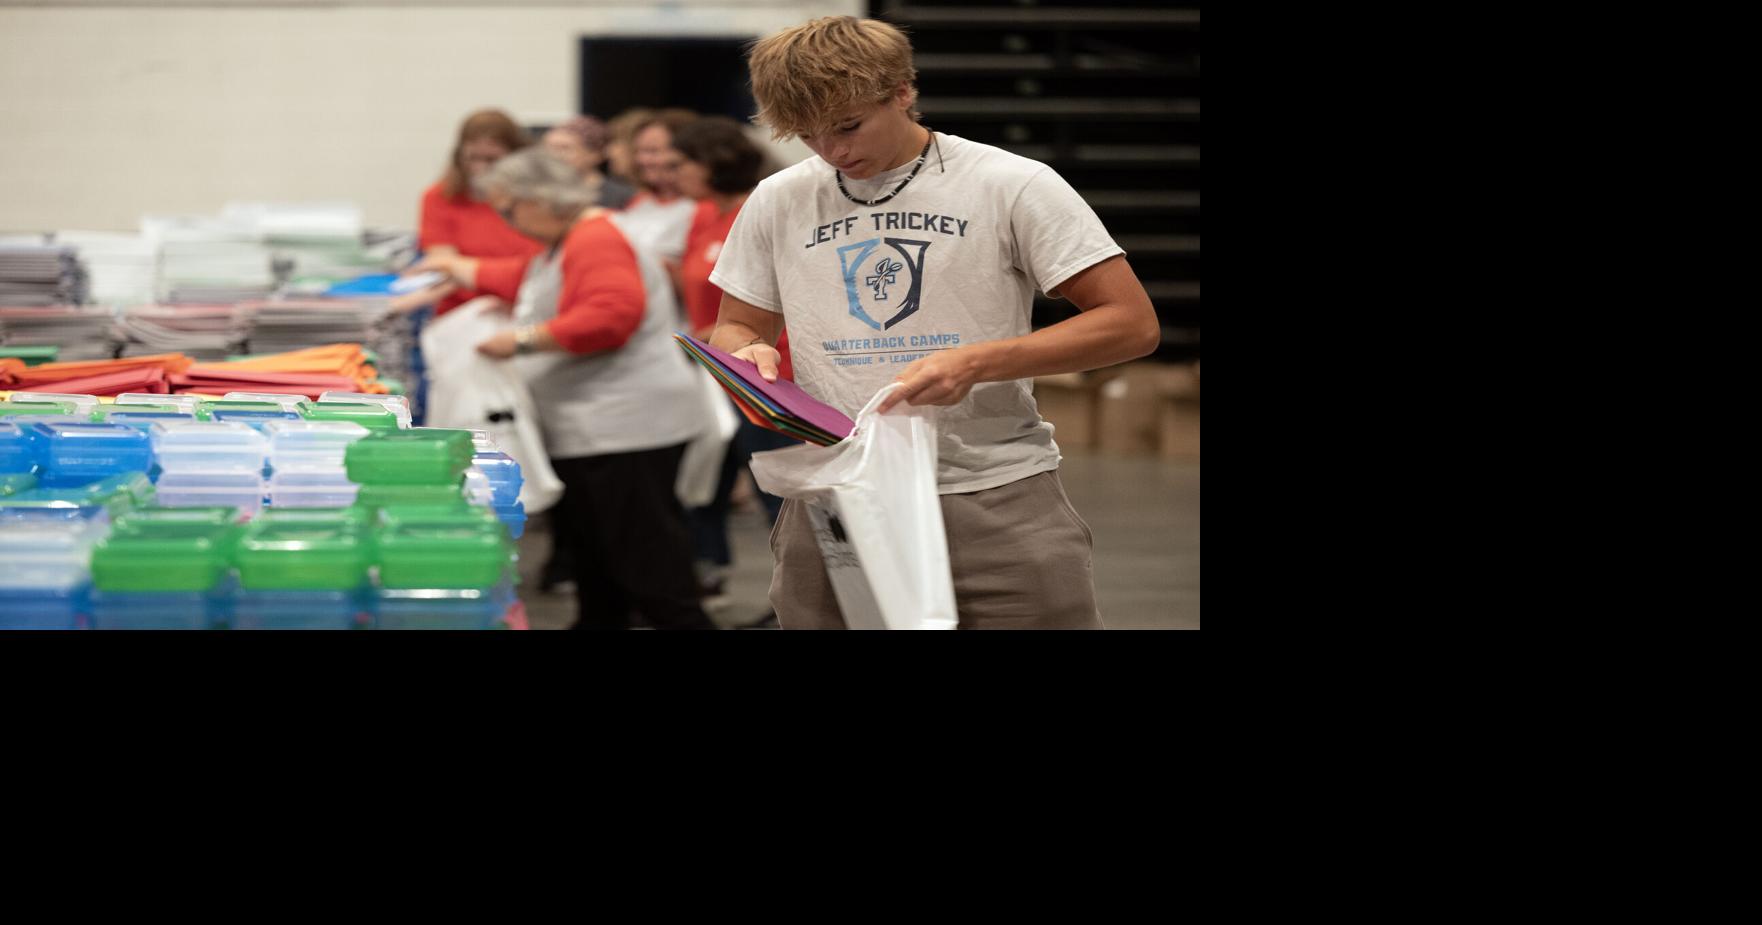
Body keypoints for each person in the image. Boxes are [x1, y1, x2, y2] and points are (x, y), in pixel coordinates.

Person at [707, 16, 1162, 630]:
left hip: (991, 491)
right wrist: (748, 357)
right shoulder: (778, 198)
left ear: (902, 91)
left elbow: (1130, 324)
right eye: (809, 136)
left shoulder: (1010, 183)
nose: (834, 151)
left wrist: (977, 362)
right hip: (839, 493)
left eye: (848, 126)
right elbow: (736, 327)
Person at [413, 149, 715, 631]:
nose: (509, 222)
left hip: (625, 430)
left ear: (544, 199)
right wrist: (454, 267)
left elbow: (611, 315)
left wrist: (521, 341)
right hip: (596, 428)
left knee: (647, 568)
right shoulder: (565, 240)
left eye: (511, 209)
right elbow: (524, 280)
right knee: (600, 567)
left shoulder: (596, 238)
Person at [669, 116, 797, 616]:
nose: (672, 173)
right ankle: (708, 577)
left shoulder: (754, 212)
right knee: (705, 486)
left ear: (712, 165)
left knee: (778, 495)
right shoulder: (702, 214)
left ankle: (802, 590)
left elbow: (775, 300)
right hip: (715, 376)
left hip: (766, 374)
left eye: (682, 164)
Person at [418, 109, 543, 315]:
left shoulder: (533, 201)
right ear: (460, 156)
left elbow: (539, 269)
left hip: (524, 304)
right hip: (463, 310)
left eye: (492, 160)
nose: (481, 168)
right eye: (473, 158)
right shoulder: (440, 196)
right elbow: (443, 267)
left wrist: (463, 268)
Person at [621, 108, 701, 276]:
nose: (642, 160)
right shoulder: (638, 202)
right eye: (639, 151)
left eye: (653, 151)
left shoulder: (702, 209)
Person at [543, 115, 638, 210]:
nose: (554, 155)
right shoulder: (539, 193)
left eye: (564, 148)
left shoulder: (622, 197)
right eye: (549, 148)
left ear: (595, 155)